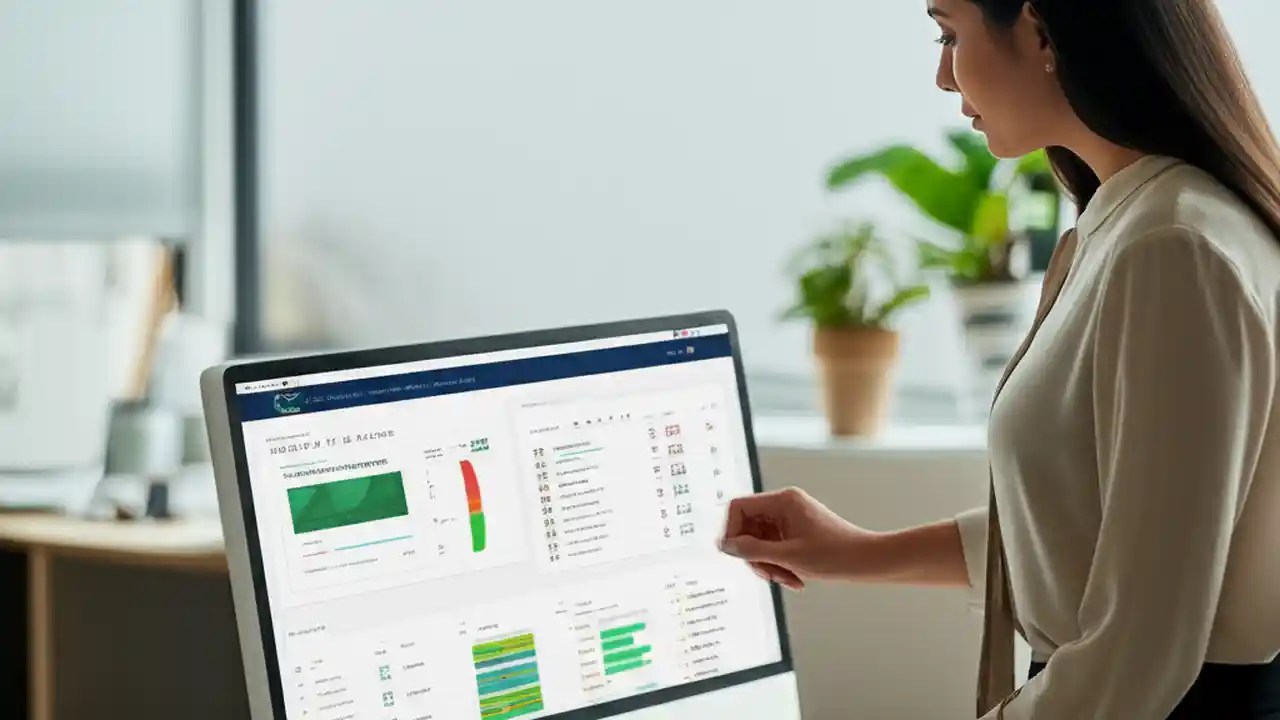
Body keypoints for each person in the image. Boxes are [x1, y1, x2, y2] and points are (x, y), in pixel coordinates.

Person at [718, 1, 1280, 717]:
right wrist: (853, 550)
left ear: (1043, 31)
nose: (943, 77)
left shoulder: (1171, 248)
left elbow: (1138, 651)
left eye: (949, 34)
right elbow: (1089, 533)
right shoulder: (1128, 225)